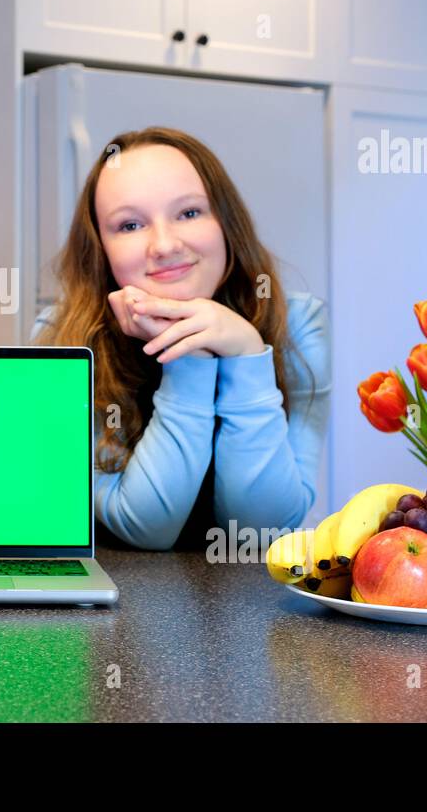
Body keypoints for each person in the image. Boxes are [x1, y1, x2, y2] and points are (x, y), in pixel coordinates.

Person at [31, 126, 330, 550]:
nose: (165, 244)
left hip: (253, 603)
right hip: (118, 602)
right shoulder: (61, 338)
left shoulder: (298, 324)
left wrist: (245, 352)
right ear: (101, 248)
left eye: (189, 213)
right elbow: (146, 527)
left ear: (226, 222)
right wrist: (190, 357)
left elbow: (259, 530)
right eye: (130, 224)